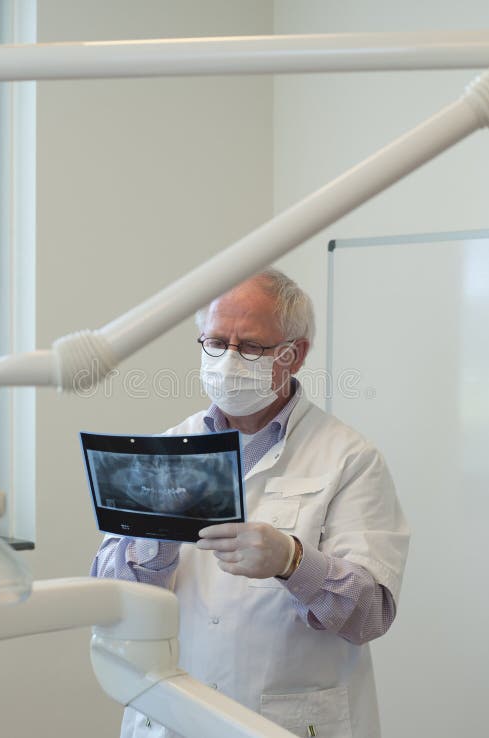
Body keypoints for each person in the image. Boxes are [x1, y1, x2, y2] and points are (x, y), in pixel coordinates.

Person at [91, 268, 409, 738]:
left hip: (289, 721)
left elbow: (370, 614)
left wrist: (293, 561)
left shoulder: (349, 459)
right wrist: (151, 550)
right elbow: (108, 603)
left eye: (252, 346)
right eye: (216, 342)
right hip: (170, 716)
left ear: (294, 354)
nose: (228, 360)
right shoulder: (167, 448)